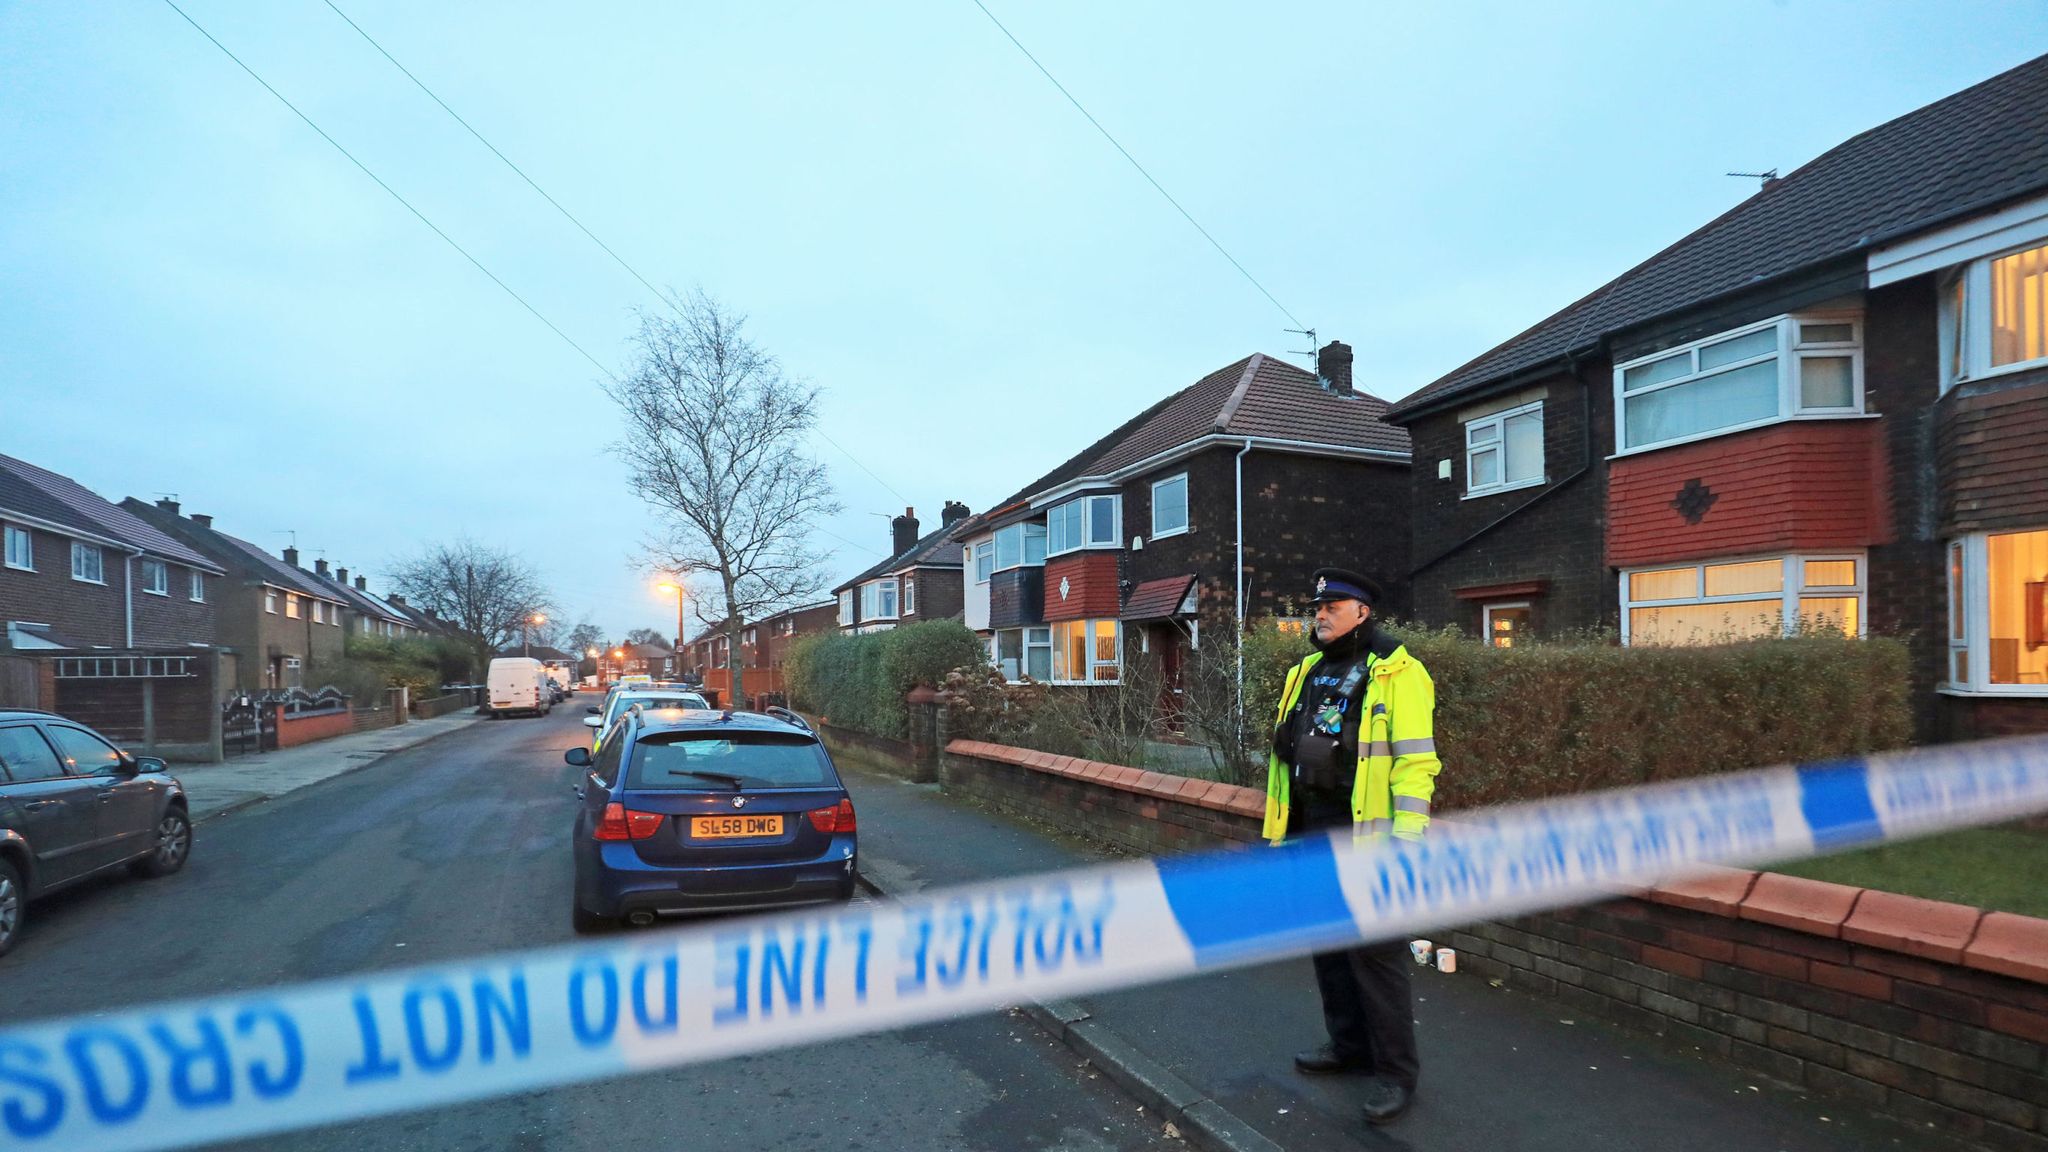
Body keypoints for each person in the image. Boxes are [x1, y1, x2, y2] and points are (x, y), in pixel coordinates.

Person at [1263, 567, 1441, 1126]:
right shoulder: (1308, 670)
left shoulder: (1397, 673)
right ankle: (1348, 1047)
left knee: (1376, 956)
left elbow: (1416, 763)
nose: (1320, 614)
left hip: (1366, 836)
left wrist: (1408, 838)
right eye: (1318, 606)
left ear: (1363, 612)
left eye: (1332, 607)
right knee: (1329, 945)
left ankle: (1395, 1075)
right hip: (1311, 826)